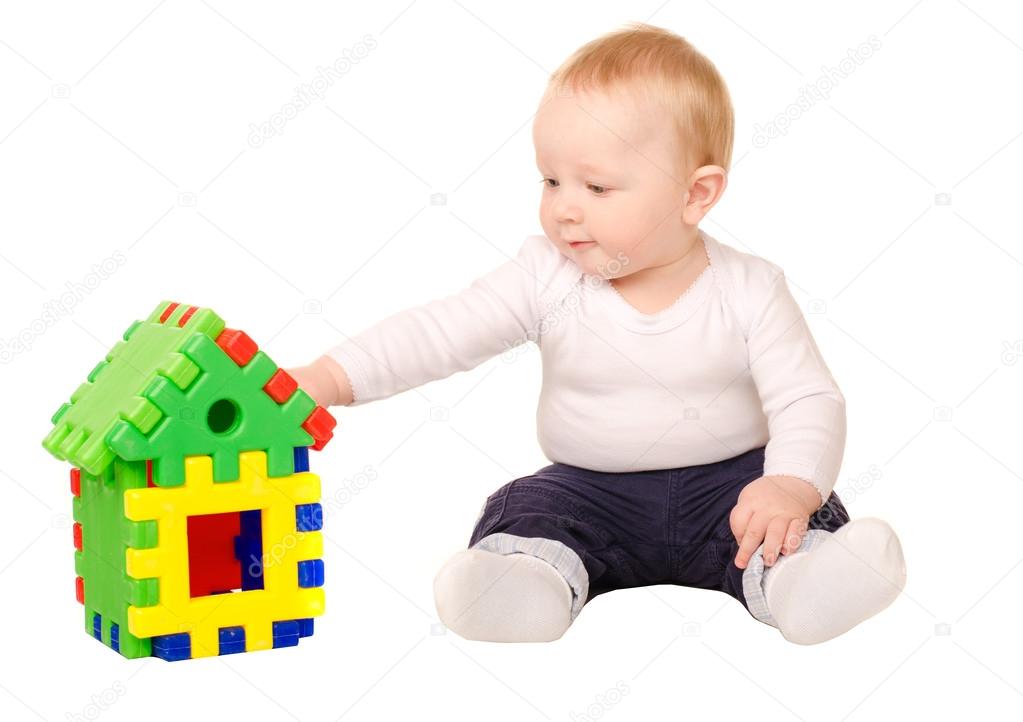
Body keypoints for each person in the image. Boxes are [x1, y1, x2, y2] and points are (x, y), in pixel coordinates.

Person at [287, 22, 906, 645]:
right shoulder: (545, 277)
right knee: (533, 509)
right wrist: (330, 378)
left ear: (695, 194)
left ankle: (805, 583)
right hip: (591, 490)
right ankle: (526, 584)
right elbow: (440, 331)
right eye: (551, 180)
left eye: (596, 186)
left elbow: (807, 398)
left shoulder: (749, 288)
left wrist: (790, 483)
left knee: (785, 522)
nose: (563, 207)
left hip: (733, 488)